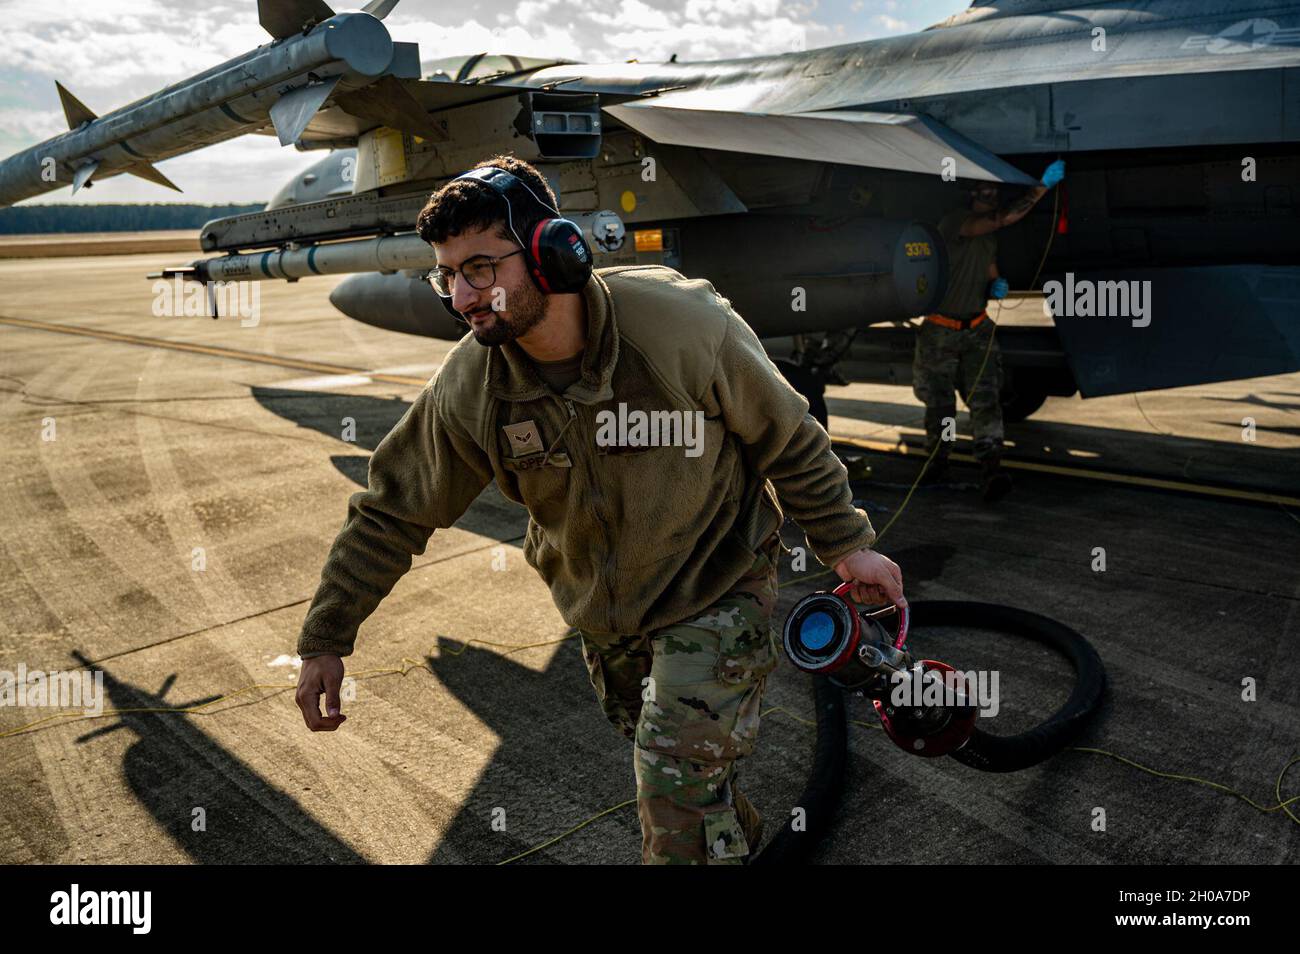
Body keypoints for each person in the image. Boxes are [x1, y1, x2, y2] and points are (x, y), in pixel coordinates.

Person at [293, 154, 906, 865]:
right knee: (685, 783)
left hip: (718, 587)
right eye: (448, 275)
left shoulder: (681, 328)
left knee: (673, 795)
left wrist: (846, 543)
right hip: (604, 621)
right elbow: (392, 511)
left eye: (481, 268)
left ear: (554, 253)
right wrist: (327, 637)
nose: (461, 297)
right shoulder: (473, 386)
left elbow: (787, 435)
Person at [913, 160, 1065, 500]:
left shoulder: (988, 237)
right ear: (970, 194)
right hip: (941, 329)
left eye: (994, 192)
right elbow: (1001, 219)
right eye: (986, 191)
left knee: (985, 398)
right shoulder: (955, 222)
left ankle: (991, 465)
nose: (991, 196)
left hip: (977, 327)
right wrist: (1041, 188)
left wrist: (996, 284)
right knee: (940, 404)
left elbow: (990, 266)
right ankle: (937, 461)